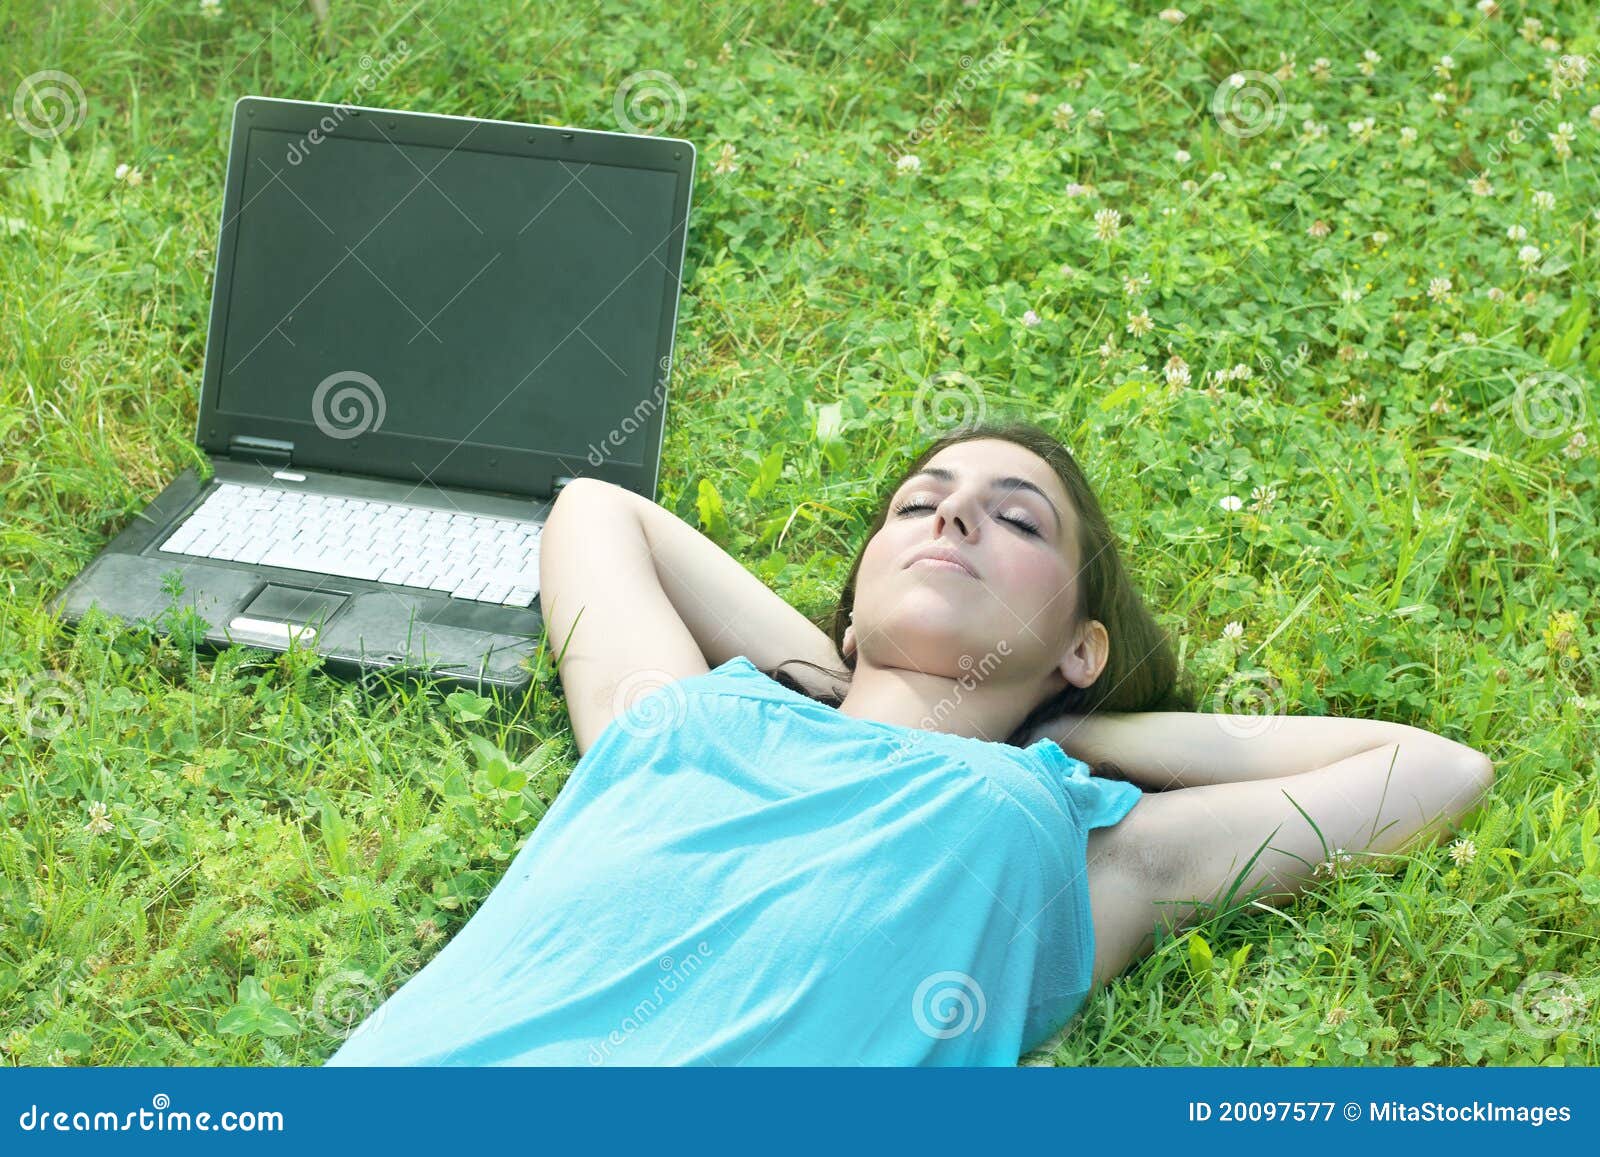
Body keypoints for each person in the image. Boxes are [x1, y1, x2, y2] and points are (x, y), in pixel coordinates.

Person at [324, 418, 1494, 1066]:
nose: (952, 513)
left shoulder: (1066, 837)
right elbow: (598, 508)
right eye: (917, 503)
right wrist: (852, 676)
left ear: (1080, 642)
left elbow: (1433, 770)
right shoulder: (675, 717)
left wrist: (1083, 723)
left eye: (1016, 517)